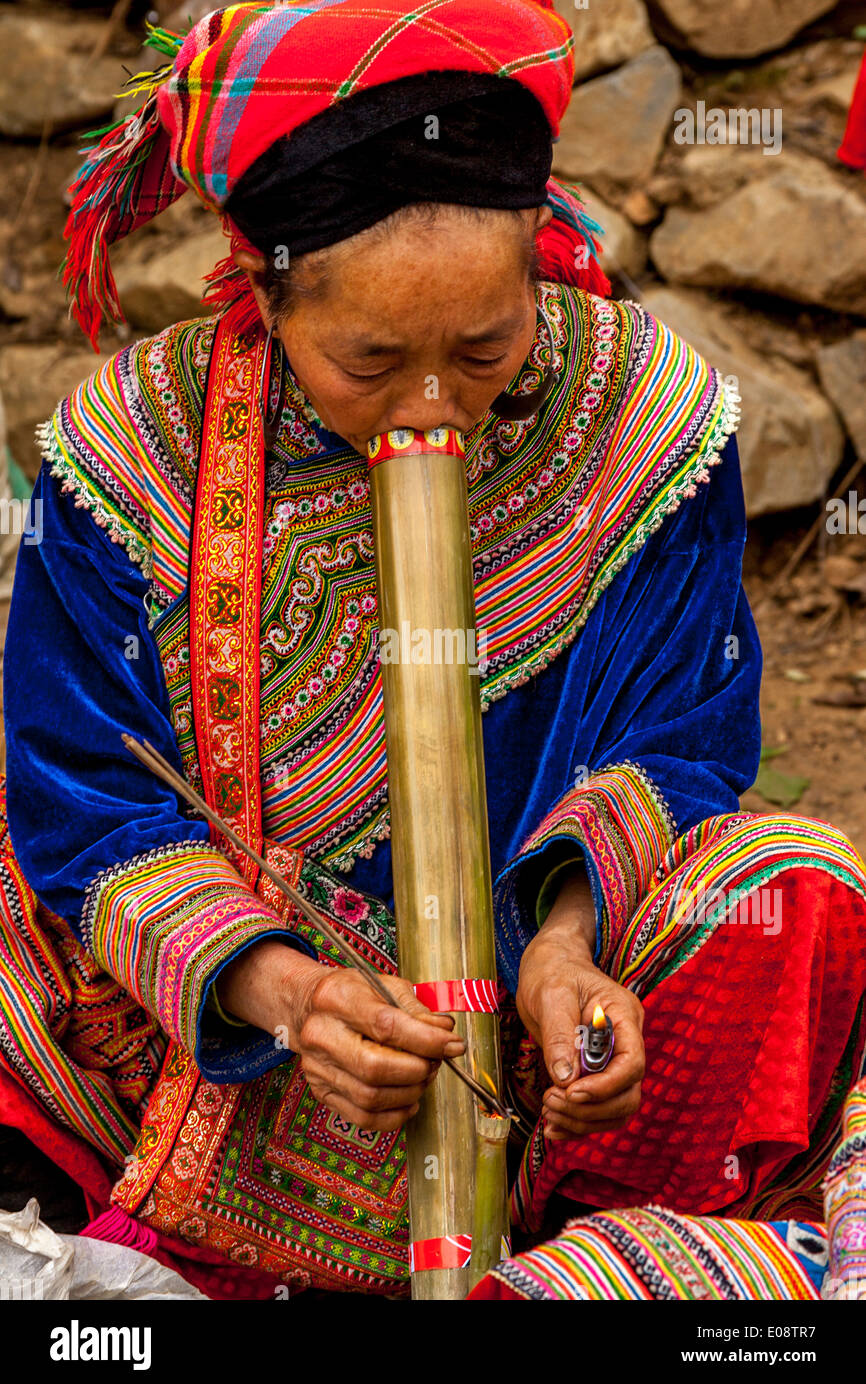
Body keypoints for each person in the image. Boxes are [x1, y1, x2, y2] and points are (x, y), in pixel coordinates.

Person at [1, 0, 864, 1299]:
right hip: (227, 1037)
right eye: (367, 359)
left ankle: (593, 1227)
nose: (430, 404)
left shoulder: (645, 409)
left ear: (540, 266)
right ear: (266, 293)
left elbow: (678, 733)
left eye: (483, 347)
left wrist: (565, 952)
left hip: (535, 1026)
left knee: (789, 882)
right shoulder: (133, 450)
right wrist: (282, 991)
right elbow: (74, 782)